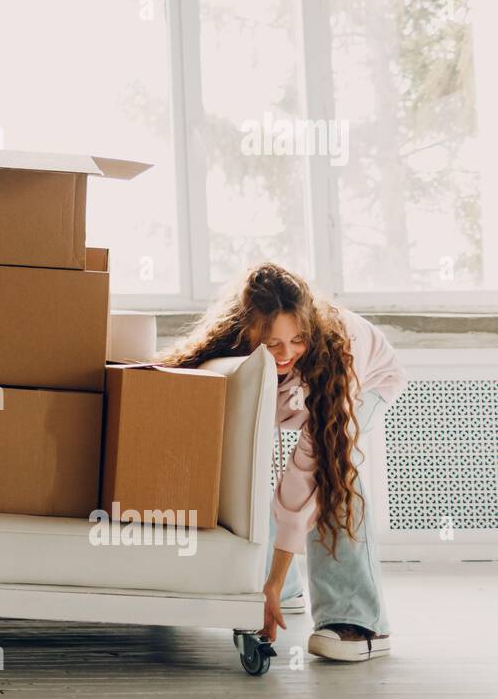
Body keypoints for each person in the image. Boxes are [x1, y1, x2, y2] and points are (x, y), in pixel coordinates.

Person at [163, 263, 406, 662]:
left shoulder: (337, 352)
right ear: (247, 332)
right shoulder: (230, 348)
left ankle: (358, 618)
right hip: (290, 392)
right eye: (272, 343)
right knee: (247, 468)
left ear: (310, 332)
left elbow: (302, 480)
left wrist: (269, 585)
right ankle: (287, 587)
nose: (287, 352)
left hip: (364, 382)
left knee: (334, 473)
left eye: (297, 340)